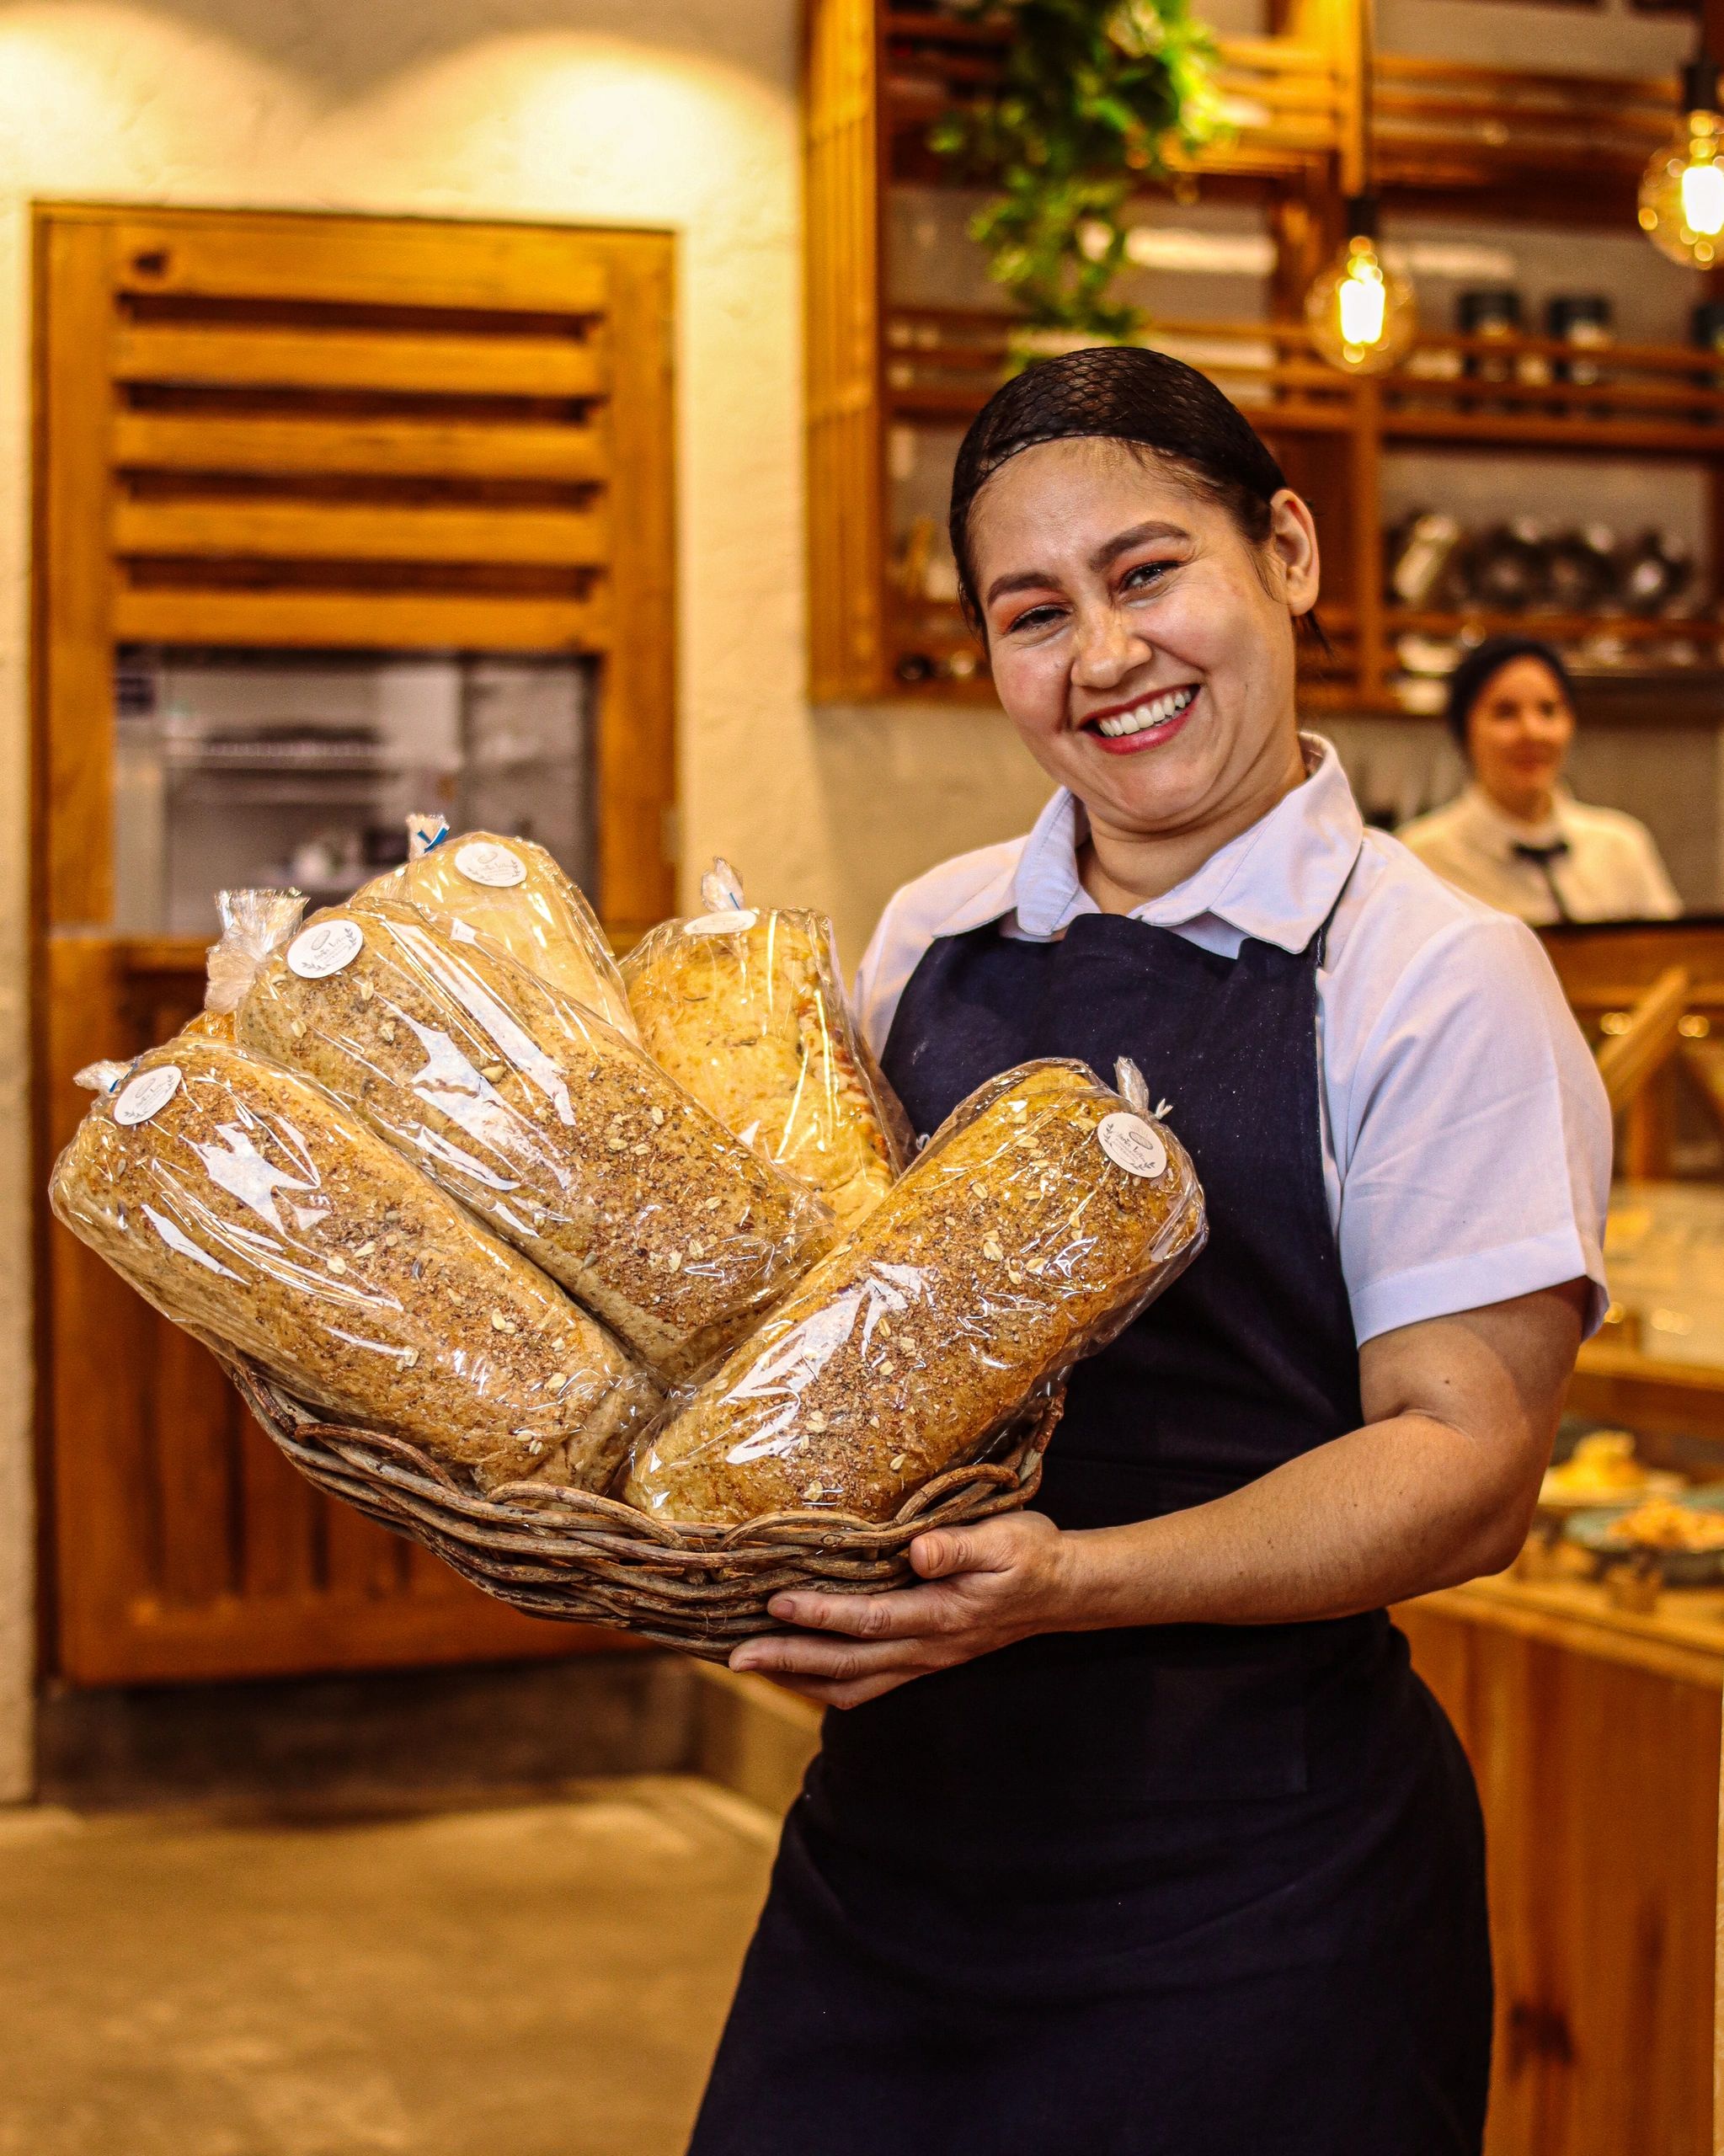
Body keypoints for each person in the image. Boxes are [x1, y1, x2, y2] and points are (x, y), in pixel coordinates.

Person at [687, 349, 1610, 2156]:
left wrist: (1072, 1580)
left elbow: (1466, 1462)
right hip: (892, 1863)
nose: (1101, 656)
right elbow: (827, 1350)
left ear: (1287, 549)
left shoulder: (1435, 973)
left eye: (1147, 571)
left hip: (1260, 1896)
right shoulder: (929, 938)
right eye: (1032, 611)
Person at [1398, 634, 1681, 923]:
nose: (1532, 732)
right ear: (1464, 731)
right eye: (1505, 713)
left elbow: (1675, 961)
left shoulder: (1622, 847)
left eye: (1548, 710)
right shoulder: (1420, 860)